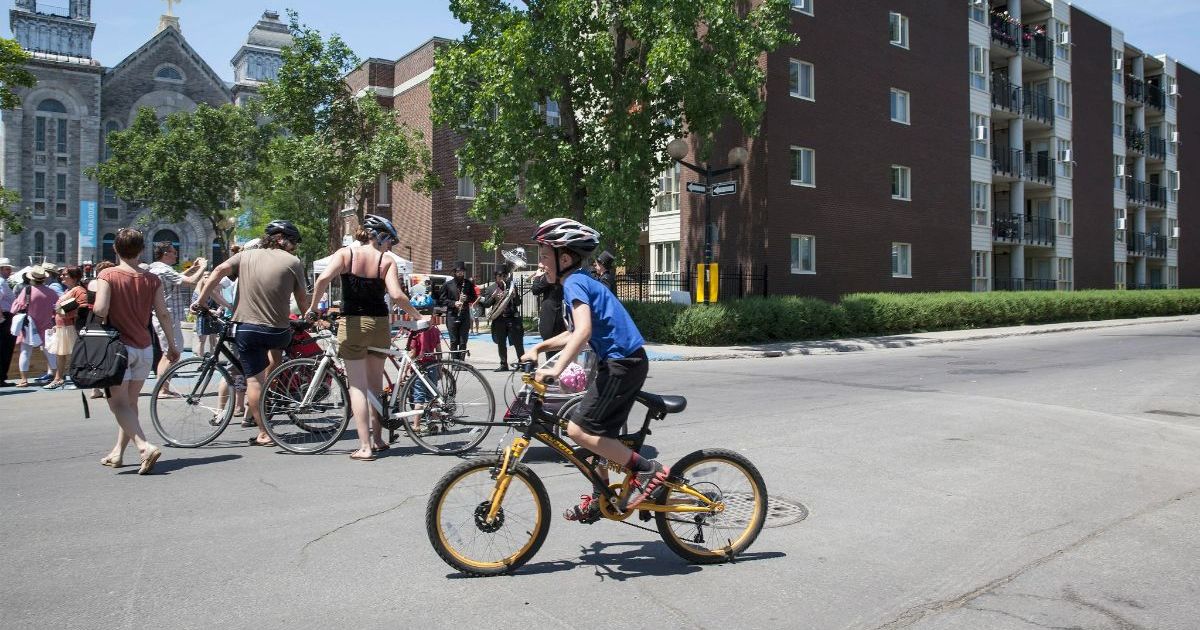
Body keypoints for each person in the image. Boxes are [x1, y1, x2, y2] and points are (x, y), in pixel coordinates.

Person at [521, 218, 667, 519]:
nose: (541, 263)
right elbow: (572, 331)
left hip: (622, 364)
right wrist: (539, 348)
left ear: (564, 258)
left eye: (545, 256)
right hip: (617, 364)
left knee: (577, 429)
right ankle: (603, 497)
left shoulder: (575, 282)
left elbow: (583, 331)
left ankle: (647, 470)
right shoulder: (578, 282)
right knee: (598, 438)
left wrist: (556, 369)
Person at [305, 214, 425, 461]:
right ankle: (379, 439)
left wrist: (313, 307)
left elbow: (323, 279)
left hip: (353, 324)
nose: (390, 245)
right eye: (389, 240)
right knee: (375, 386)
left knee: (357, 387)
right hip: (380, 325)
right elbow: (397, 295)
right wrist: (417, 314)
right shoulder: (386, 260)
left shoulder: (345, 254)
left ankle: (365, 446)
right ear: (380, 237)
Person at [192, 221, 308, 447]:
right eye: (293, 242)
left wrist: (200, 301)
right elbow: (302, 299)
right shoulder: (293, 262)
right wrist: (311, 316)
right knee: (273, 360)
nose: (294, 247)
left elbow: (216, 272)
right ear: (283, 238)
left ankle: (264, 433)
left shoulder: (245, 256)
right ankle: (272, 391)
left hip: (247, 329)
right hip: (279, 330)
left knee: (254, 380)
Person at [91, 228, 178, 474]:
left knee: (118, 404)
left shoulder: (108, 274)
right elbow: (162, 313)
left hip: (117, 349)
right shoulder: (152, 279)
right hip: (145, 348)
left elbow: (101, 309)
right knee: (130, 403)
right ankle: (118, 452)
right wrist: (170, 345)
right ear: (141, 250)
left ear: (115, 249)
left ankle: (144, 447)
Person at [147, 242, 206, 380]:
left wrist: (192, 268)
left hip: (164, 316)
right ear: (165, 254)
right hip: (169, 316)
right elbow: (192, 281)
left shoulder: (155, 268)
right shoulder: (164, 270)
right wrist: (202, 267)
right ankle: (162, 389)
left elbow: (176, 278)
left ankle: (163, 387)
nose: (176, 255)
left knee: (167, 353)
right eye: (174, 252)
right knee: (172, 354)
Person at [9, 266, 57, 387]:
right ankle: (56, 377)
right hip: (47, 325)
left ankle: (24, 379)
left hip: (29, 326)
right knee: (50, 352)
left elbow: (15, 308)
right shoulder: (51, 292)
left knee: (25, 352)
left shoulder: (27, 290)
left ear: (32, 278)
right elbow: (57, 309)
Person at [43, 265, 88, 390]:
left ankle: (75, 378)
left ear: (73, 277)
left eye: (65, 274)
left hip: (71, 327)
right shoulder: (69, 290)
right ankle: (59, 378)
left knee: (74, 354)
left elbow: (83, 308)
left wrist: (64, 313)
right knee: (60, 354)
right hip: (63, 327)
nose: (61, 276)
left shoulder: (79, 290)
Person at [479, 267, 525, 372]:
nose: (502, 278)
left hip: (512, 318)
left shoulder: (511, 286)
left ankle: (522, 363)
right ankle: (503, 364)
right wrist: (493, 297)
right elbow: (486, 304)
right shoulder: (491, 288)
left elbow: (518, 303)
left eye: (504, 276)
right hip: (499, 319)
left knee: (518, 342)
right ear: (496, 277)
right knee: (501, 343)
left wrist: (514, 296)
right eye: (500, 276)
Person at [405, 320, 442, 436]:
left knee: (419, 397)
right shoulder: (435, 331)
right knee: (432, 397)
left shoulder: (416, 332)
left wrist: (405, 367)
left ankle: (416, 425)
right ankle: (433, 424)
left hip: (420, 368)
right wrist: (440, 367)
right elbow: (439, 351)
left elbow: (413, 352)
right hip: (433, 366)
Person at [85, 261, 114, 399]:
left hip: (91, 321)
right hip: (104, 320)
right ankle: (106, 387)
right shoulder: (105, 285)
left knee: (95, 355)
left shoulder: (91, 284)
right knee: (107, 355)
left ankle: (95, 388)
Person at [439, 261, 476, 359]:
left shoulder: (468, 284)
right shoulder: (448, 285)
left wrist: (467, 298)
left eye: (462, 271)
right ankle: (454, 362)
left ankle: (461, 362)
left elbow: (474, 297)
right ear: (455, 272)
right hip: (452, 314)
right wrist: (453, 303)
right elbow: (442, 300)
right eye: (459, 271)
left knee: (463, 340)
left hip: (464, 314)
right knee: (454, 340)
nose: (461, 273)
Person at [529, 261, 566, 360]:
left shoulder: (551, 275)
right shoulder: (562, 273)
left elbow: (535, 290)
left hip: (551, 316)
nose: (540, 265)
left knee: (551, 352)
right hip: (560, 315)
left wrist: (537, 277)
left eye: (543, 261)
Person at [0, 258, 16, 387]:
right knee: (5, 348)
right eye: (7, 269)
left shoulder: (3, 282)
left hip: (5, 316)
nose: (9, 271)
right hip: (4, 317)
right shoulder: (1, 282)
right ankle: (1, 377)